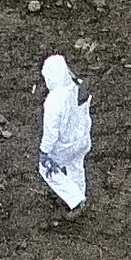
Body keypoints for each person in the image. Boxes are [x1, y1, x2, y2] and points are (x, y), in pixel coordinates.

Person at [38, 55, 93, 211]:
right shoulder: (79, 87)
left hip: (65, 146)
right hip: (82, 139)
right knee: (76, 166)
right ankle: (80, 194)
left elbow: (51, 132)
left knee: (46, 168)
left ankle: (75, 200)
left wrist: (44, 151)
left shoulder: (54, 101)